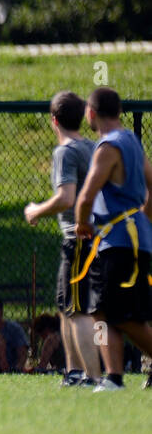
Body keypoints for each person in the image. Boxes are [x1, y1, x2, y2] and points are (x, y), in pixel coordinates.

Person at [72, 86, 152, 391]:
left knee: (123, 315)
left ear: (91, 113)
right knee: (104, 312)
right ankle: (114, 378)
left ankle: (114, 378)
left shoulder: (107, 147)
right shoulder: (132, 141)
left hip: (117, 241)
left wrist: (82, 225)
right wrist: (144, 221)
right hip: (132, 239)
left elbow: (87, 195)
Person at [23, 90, 102, 385]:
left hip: (79, 237)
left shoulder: (65, 151)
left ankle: (91, 376)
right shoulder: (92, 147)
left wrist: (36, 211)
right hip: (97, 235)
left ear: (53, 120)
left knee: (76, 310)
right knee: (67, 307)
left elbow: (66, 197)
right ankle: (74, 372)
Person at [0, 295, 28, 372]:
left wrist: (17, 368)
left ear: (0, 312)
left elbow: (22, 351)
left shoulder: (14, 328)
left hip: (10, 367)